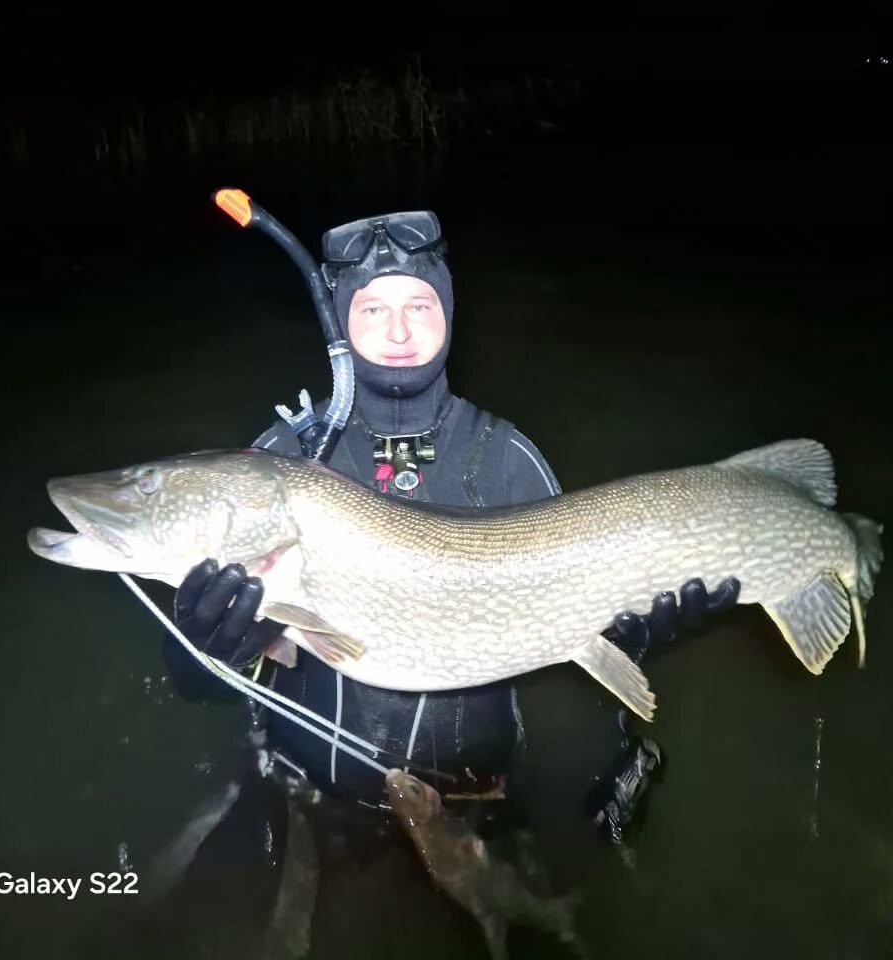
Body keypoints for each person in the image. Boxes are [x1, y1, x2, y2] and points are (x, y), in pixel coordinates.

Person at [156, 209, 739, 937]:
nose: (398, 331)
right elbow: (196, 686)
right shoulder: (279, 463)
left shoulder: (508, 461)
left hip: (480, 807)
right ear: (341, 325)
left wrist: (639, 628)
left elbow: (567, 644)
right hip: (311, 798)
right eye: (372, 309)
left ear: (449, 315)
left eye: (418, 306)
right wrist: (202, 647)